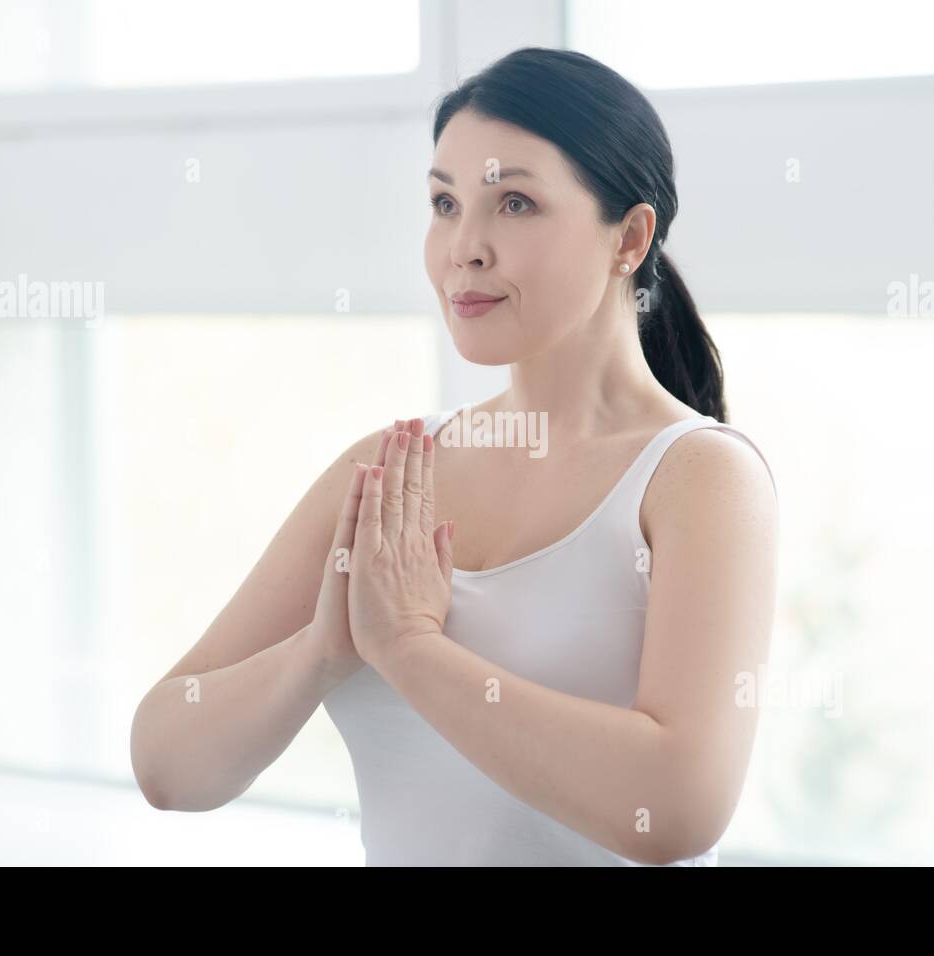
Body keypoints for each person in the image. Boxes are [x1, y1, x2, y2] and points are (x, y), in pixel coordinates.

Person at [131, 47, 778, 867]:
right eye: (444, 203)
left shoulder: (700, 477)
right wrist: (320, 654)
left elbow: (677, 806)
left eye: (514, 203)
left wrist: (409, 650)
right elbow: (165, 759)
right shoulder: (390, 472)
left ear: (630, 237)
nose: (464, 247)